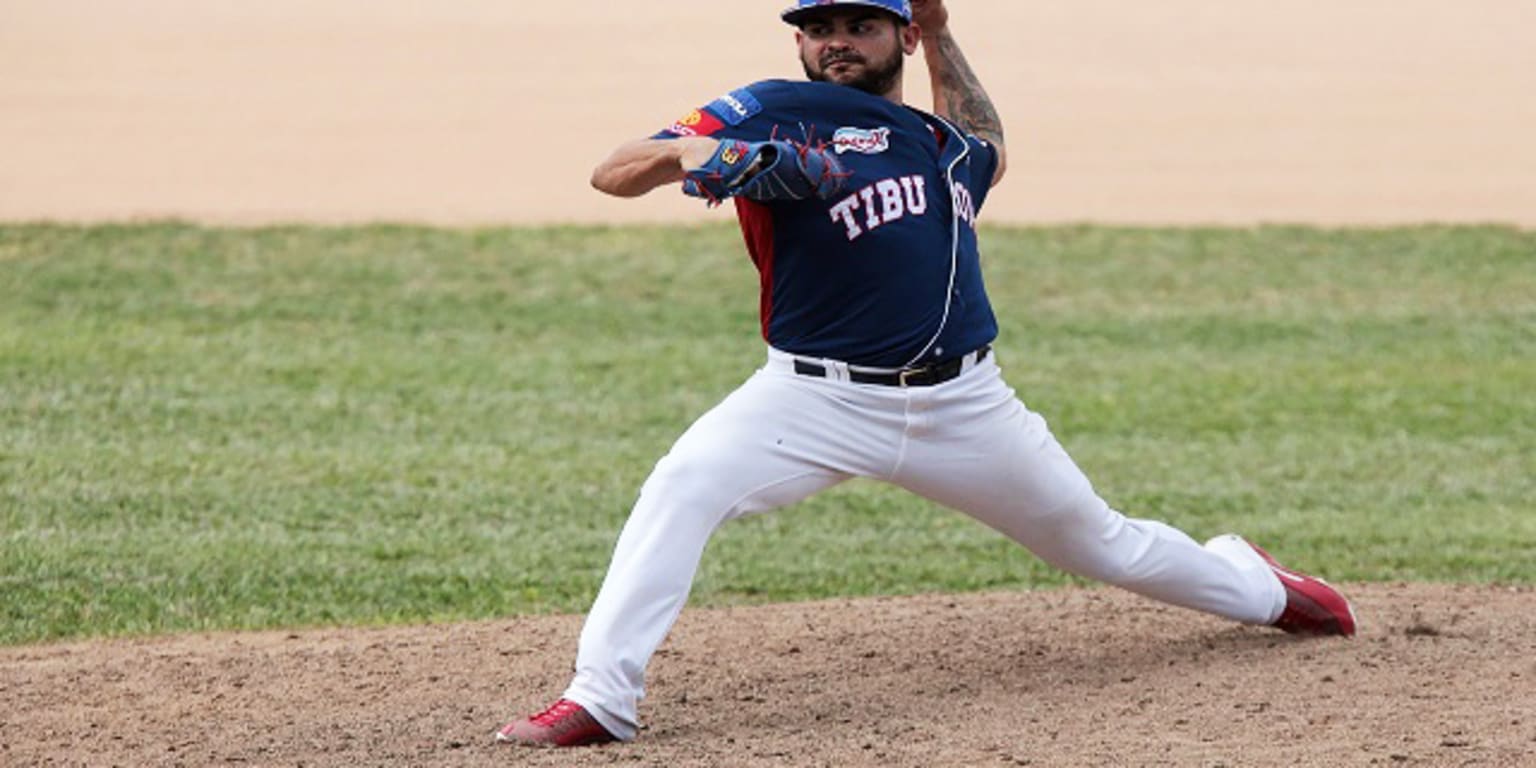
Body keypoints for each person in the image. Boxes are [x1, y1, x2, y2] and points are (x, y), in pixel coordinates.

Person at [495, 0, 1356, 748]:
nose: (836, 42)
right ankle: (600, 700)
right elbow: (613, 171)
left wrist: (945, 36)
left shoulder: (940, 142)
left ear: (900, 36)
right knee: (682, 483)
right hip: (809, 397)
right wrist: (697, 159)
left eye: (860, 26)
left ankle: (1258, 587)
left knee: (1098, 542)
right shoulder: (767, 109)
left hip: (967, 405)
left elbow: (989, 144)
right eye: (819, 29)